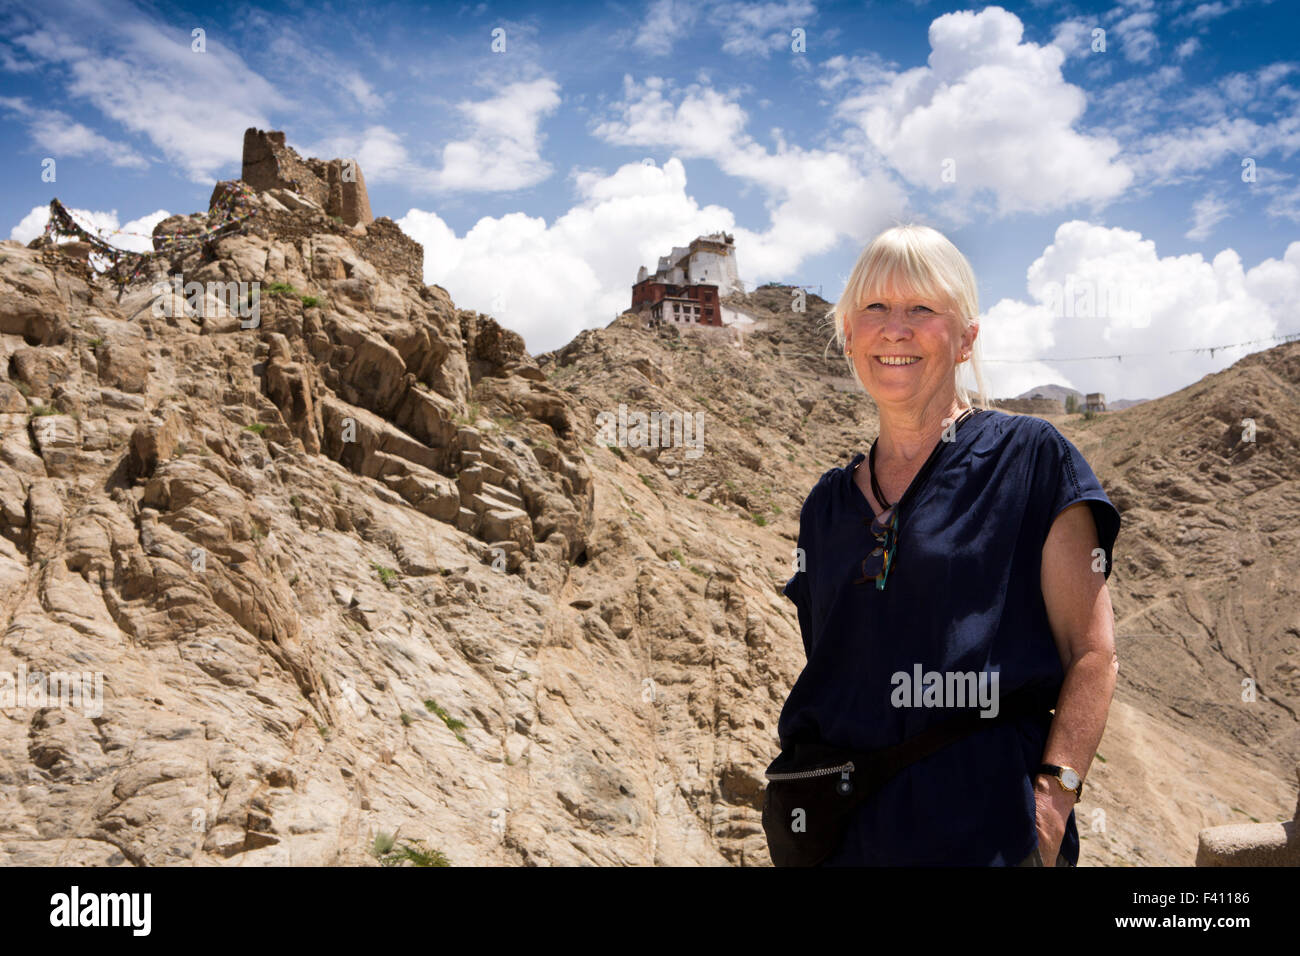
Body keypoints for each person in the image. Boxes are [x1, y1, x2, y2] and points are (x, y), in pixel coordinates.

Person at [777, 224, 1121, 866]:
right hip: (844, 838)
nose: (895, 328)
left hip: (987, 833)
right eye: (875, 307)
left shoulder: (1031, 460)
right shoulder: (826, 506)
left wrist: (1051, 805)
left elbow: (1093, 653)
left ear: (966, 339)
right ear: (849, 335)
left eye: (923, 309)